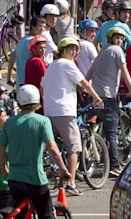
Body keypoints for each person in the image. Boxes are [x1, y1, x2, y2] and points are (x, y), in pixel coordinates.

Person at [0, 84, 66, 219]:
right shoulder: (42, 121)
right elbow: (51, 148)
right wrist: (63, 169)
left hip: (15, 178)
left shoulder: (9, 123)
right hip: (35, 178)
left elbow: (0, 151)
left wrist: (4, 170)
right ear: (37, 102)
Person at [41, 36, 100, 195]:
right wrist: (96, 96)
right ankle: (71, 183)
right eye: (70, 49)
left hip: (49, 111)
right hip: (65, 111)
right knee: (73, 147)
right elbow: (85, 83)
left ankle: (58, 177)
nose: (73, 52)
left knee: (54, 145)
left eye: (75, 49)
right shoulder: (67, 64)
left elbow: (43, 88)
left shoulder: (52, 66)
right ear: (62, 51)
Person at [88, 25, 131, 178]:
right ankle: (114, 165)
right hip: (108, 97)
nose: (119, 41)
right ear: (110, 39)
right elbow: (124, 70)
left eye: (121, 39)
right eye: (117, 38)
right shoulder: (117, 51)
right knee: (112, 133)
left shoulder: (101, 51)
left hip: (95, 95)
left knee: (99, 126)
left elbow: (90, 72)